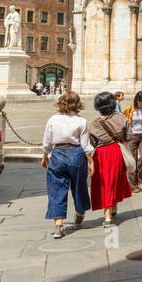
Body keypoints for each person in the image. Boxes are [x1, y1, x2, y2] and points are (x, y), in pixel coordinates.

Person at [41, 91, 92, 239]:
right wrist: (91, 162)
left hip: (58, 154)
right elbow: (85, 145)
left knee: (56, 189)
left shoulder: (53, 119)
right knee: (79, 185)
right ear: (78, 104)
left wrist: (45, 155)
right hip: (76, 154)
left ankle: (58, 226)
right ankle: (79, 212)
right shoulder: (81, 121)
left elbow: (47, 140)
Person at [87, 92, 132, 228]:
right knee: (116, 180)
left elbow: (91, 143)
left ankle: (107, 216)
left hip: (101, 154)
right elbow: (128, 136)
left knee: (105, 183)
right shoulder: (121, 118)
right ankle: (113, 207)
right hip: (117, 151)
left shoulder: (93, 124)